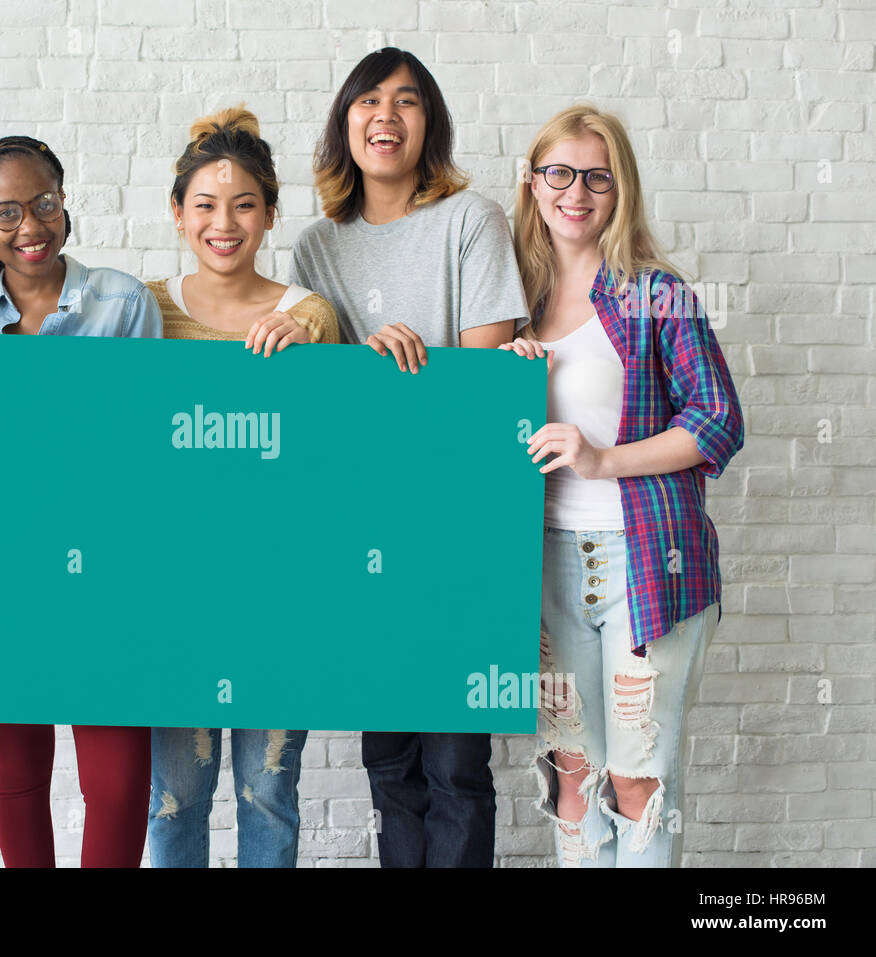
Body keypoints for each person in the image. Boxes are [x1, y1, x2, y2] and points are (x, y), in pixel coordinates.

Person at [290, 47, 529, 867]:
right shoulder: (316, 247)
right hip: (363, 535)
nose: (385, 116)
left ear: (431, 125)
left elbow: (485, 390)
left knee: (457, 767)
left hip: (459, 528)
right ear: (344, 123)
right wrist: (362, 365)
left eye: (407, 101)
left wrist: (410, 361)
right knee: (388, 763)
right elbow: (322, 409)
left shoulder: (472, 220)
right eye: (367, 101)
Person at [502, 104, 743, 866]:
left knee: (637, 782)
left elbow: (717, 421)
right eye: (560, 174)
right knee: (573, 777)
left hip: (647, 565)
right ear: (533, 184)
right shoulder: (511, 300)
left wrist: (602, 457)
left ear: (621, 189)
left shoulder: (654, 292)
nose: (577, 192)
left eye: (597, 177)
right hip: (546, 566)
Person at [0, 135, 161, 867]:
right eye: (8, 212)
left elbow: (147, 439)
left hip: (109, 568)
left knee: (118, 783)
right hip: (4, 567)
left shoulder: (121, 301)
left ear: (66, 200)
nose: (32, 226)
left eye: (47, 203)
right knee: (19, 774)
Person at [144, 105, 338, 868]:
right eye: (205, 205)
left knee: (269, 795)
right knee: (175, 800)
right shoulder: (143, 308)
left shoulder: (309, 313)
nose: (224, 223)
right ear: (178, 212)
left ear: (270, 214)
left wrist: (314, 345)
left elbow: (346, 448)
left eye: (245, 204)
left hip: (279, 591)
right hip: (174, 592)